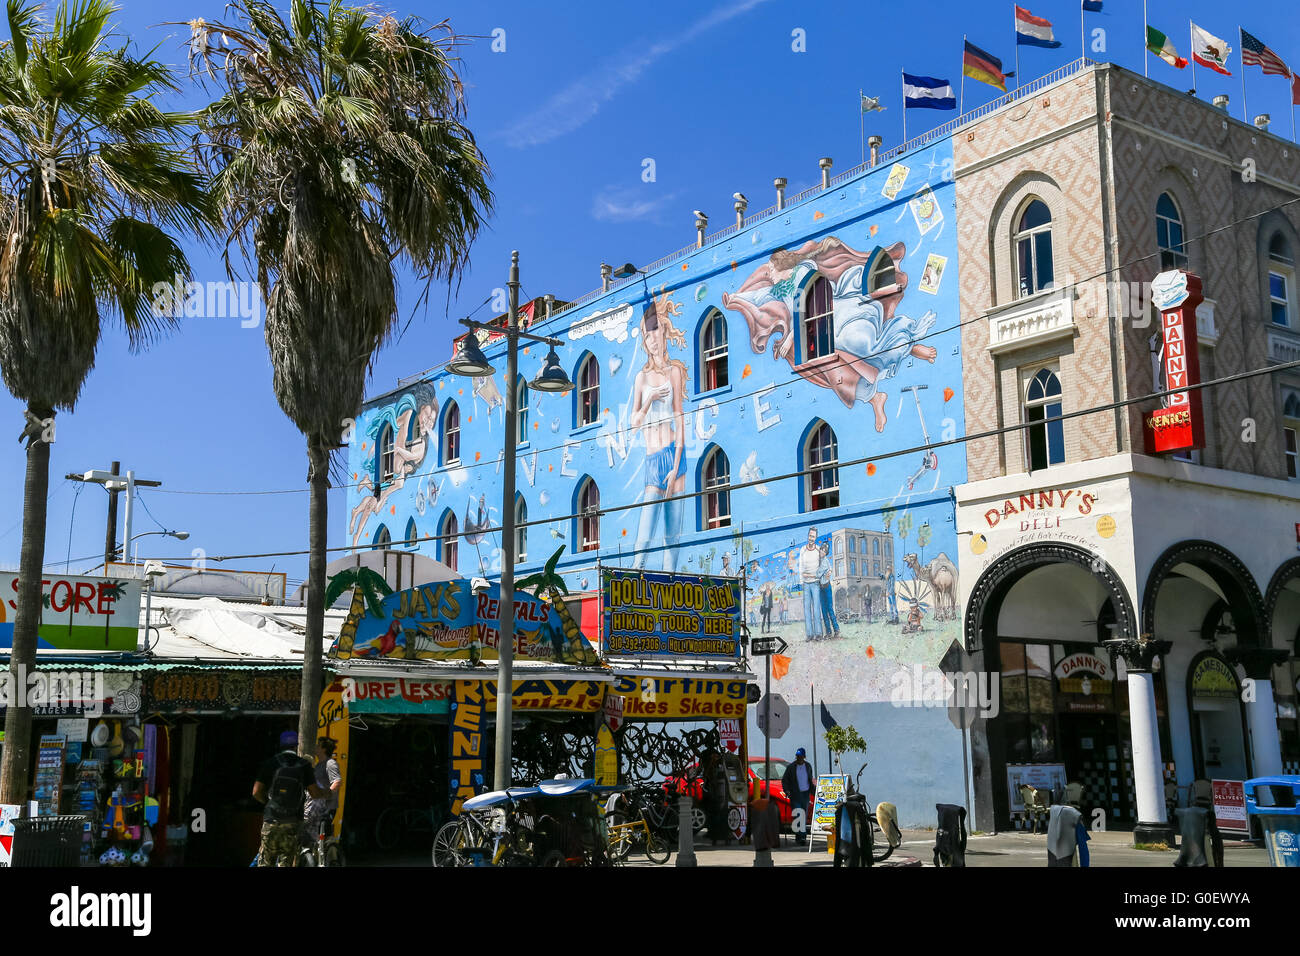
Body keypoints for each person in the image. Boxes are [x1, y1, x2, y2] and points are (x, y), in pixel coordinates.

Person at [630, 290, 690, 572]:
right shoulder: (642, 378)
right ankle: (630, 584)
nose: (652, 339)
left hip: (674, 459)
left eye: (655, 331)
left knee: (672, 538)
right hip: (653, 461)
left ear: (664, 330)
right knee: (643, 536)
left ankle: (669, 589)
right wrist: (651, 398)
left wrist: (676, 465)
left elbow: (679, 417)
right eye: (647, 334)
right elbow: (634, 423)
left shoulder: (675, 372)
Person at [253, 731, 325, 867]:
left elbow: (256, 792)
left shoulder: (270, 763)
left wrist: (268, 803)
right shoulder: (304, 765)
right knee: (286, 862)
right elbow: (314, 793)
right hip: (292, 822)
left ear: (280, 745)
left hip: (271, 820)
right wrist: (326, 793)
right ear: (296, 746)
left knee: (265, 861)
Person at [304, 737, 342, 841]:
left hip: (326, 808)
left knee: (324, 838)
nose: (315, 747)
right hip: (317, 807)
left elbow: (337, 781)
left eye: (318, 745)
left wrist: (325, 795)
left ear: (323, 749)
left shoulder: (330, 763)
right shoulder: (319, 765)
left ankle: (330, 855)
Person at [782, 747, 816, 846]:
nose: (799, 758)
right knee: (798, 815)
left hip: (805, 794)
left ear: (804, 757)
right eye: (797, 756)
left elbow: (810, 780)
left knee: (803, 816)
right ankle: (801, 836)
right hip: (795, 794)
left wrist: (814, 791)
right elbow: (784, 780)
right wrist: (787, 791)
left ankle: (801, 837)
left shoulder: (808, 766)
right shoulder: (791, 767)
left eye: (801, 756)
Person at [799, 528, 824, 641]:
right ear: (808, 536)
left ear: (816, 538)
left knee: (816, 609)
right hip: (806, 584)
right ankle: (809, 634)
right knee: (807, 609)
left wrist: (819, 577)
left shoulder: (818, 550)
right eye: (810, 536)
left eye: (813, 536)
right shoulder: (803, 550)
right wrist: (801, 581)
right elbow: (800, 566)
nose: (811, 538)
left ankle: (818, 633)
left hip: (815, 583)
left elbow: (822, 565)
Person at [817, 541, 841, 639]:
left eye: (824, 551)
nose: (822, 553)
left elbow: (818, 574)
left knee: (830, 609)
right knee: (823, 610)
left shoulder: (825, 561)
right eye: (821, 550)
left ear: (826, 553)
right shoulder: (818, 560)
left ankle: (836, 630)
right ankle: (828, 632)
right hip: (820, 588)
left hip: (826, 587)